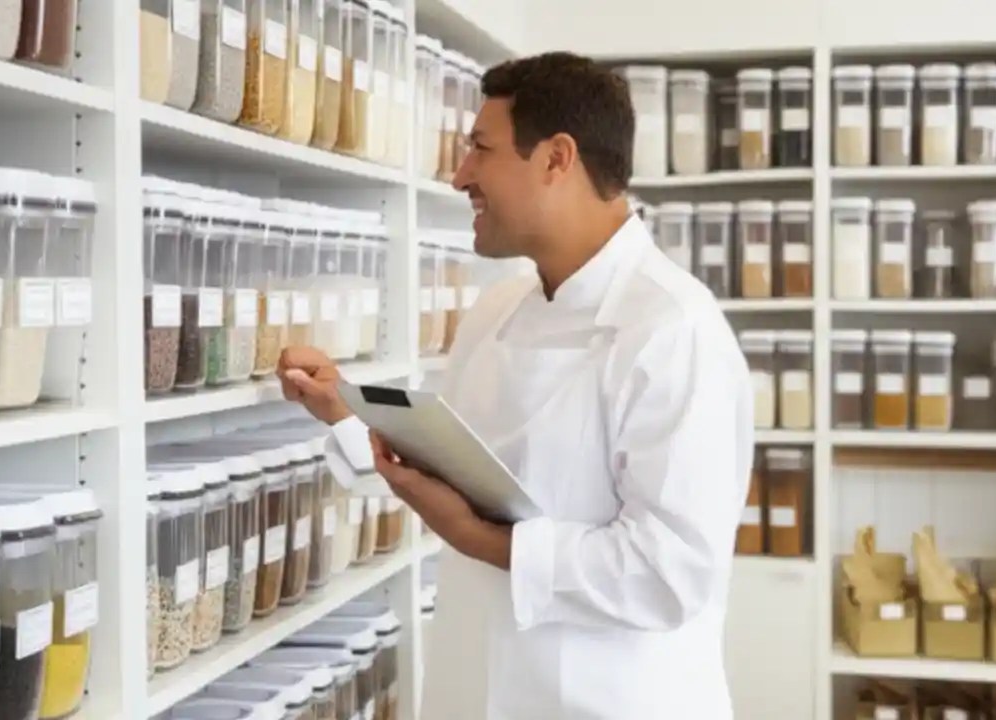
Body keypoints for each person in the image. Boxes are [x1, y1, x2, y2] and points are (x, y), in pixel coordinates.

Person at [278, 51, 752, 719]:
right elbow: (458, 467)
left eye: (480, 148)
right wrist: (346, 412)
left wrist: (483, 542)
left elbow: (669, 572)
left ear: (557, 159)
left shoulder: (673, 329)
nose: (459, 174)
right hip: (479, 691)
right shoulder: (496, 311)